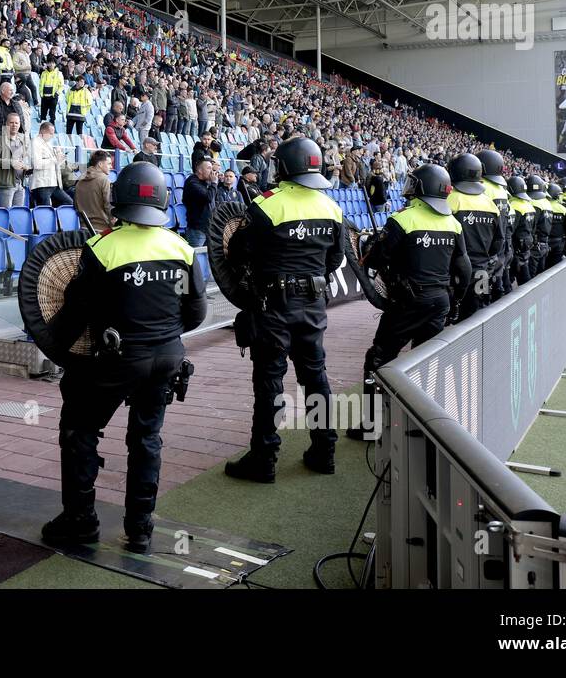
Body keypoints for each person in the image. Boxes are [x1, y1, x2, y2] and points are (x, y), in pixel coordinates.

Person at [41, 162, 207, 553]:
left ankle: (80, 521)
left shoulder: (102, 248)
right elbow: (196, 312)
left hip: (116, 361)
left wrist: (49, 341)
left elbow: (76, 312)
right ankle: (140, 529)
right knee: (147, 438)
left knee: (79, 429)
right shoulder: (180, 248)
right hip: (167, 358)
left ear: (120, 199)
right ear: (163, 200)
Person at [224, 137, 344, 482]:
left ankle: (264, 458)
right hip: (313, 305)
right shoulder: (330, 207)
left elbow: (237, 253)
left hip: (273, 306)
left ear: (283, 167)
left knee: (269, 383)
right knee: (316, 378)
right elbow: (334, 259)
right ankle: (325, 451)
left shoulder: (266, 205)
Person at [347, 164, 471, 438]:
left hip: (407, 303)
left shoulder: (403, 219)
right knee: (426, 361)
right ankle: (422, 425)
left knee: (379, 358)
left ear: (422, 187)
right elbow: (464, 270)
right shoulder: (453, 223)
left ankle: (373, 424)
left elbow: (377, 259)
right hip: (440, 302)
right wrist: (455, 301)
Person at [444, 153, 502, 321]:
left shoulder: (449, 200)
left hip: (453, 273)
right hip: (482, 272)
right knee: (478, 318)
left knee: (446, 321)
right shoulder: (490, 204)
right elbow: (498, 242)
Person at [477, 149, 512, 296]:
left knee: (481, 293)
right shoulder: (501, 190)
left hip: (486, 249)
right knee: (499, 286)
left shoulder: (482, 188)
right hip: (501, 246)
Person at [30, 122, 72, 207]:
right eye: (50, 133)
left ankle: (58, 220)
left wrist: (61, 158)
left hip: (53, 183)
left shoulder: (48, 143)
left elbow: (54, 163)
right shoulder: (35, 142)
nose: (52, 136)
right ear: (42, 131)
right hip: (42, 184)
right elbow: (37, 164)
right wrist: (55, 159)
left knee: (69, 203)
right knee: (44, 211)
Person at [506, 175, 537, 287]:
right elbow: (533, 229)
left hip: (515, 249)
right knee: (525, 280)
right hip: (526, 247)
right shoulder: (530, 206)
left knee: (508, 281)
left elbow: (510, 229)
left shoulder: (513, 206)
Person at [75, 150, 114, 234]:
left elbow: (76, 205)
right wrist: (113, 224)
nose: (111, 167)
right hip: (102, 230)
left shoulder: (80, 180)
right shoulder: (104, 180)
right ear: (100, 164)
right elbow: (109, 206)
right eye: (109, 163)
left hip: (83, 228)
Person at [182, 158, 215, 249]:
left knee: (206, 258)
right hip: (197, 229)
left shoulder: (204, 182)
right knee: (195, 257)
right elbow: (208, 197)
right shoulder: (192, 183)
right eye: (208, 168)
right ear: (200, 170)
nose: (211, 171)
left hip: (208, 227)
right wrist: (214, 183)